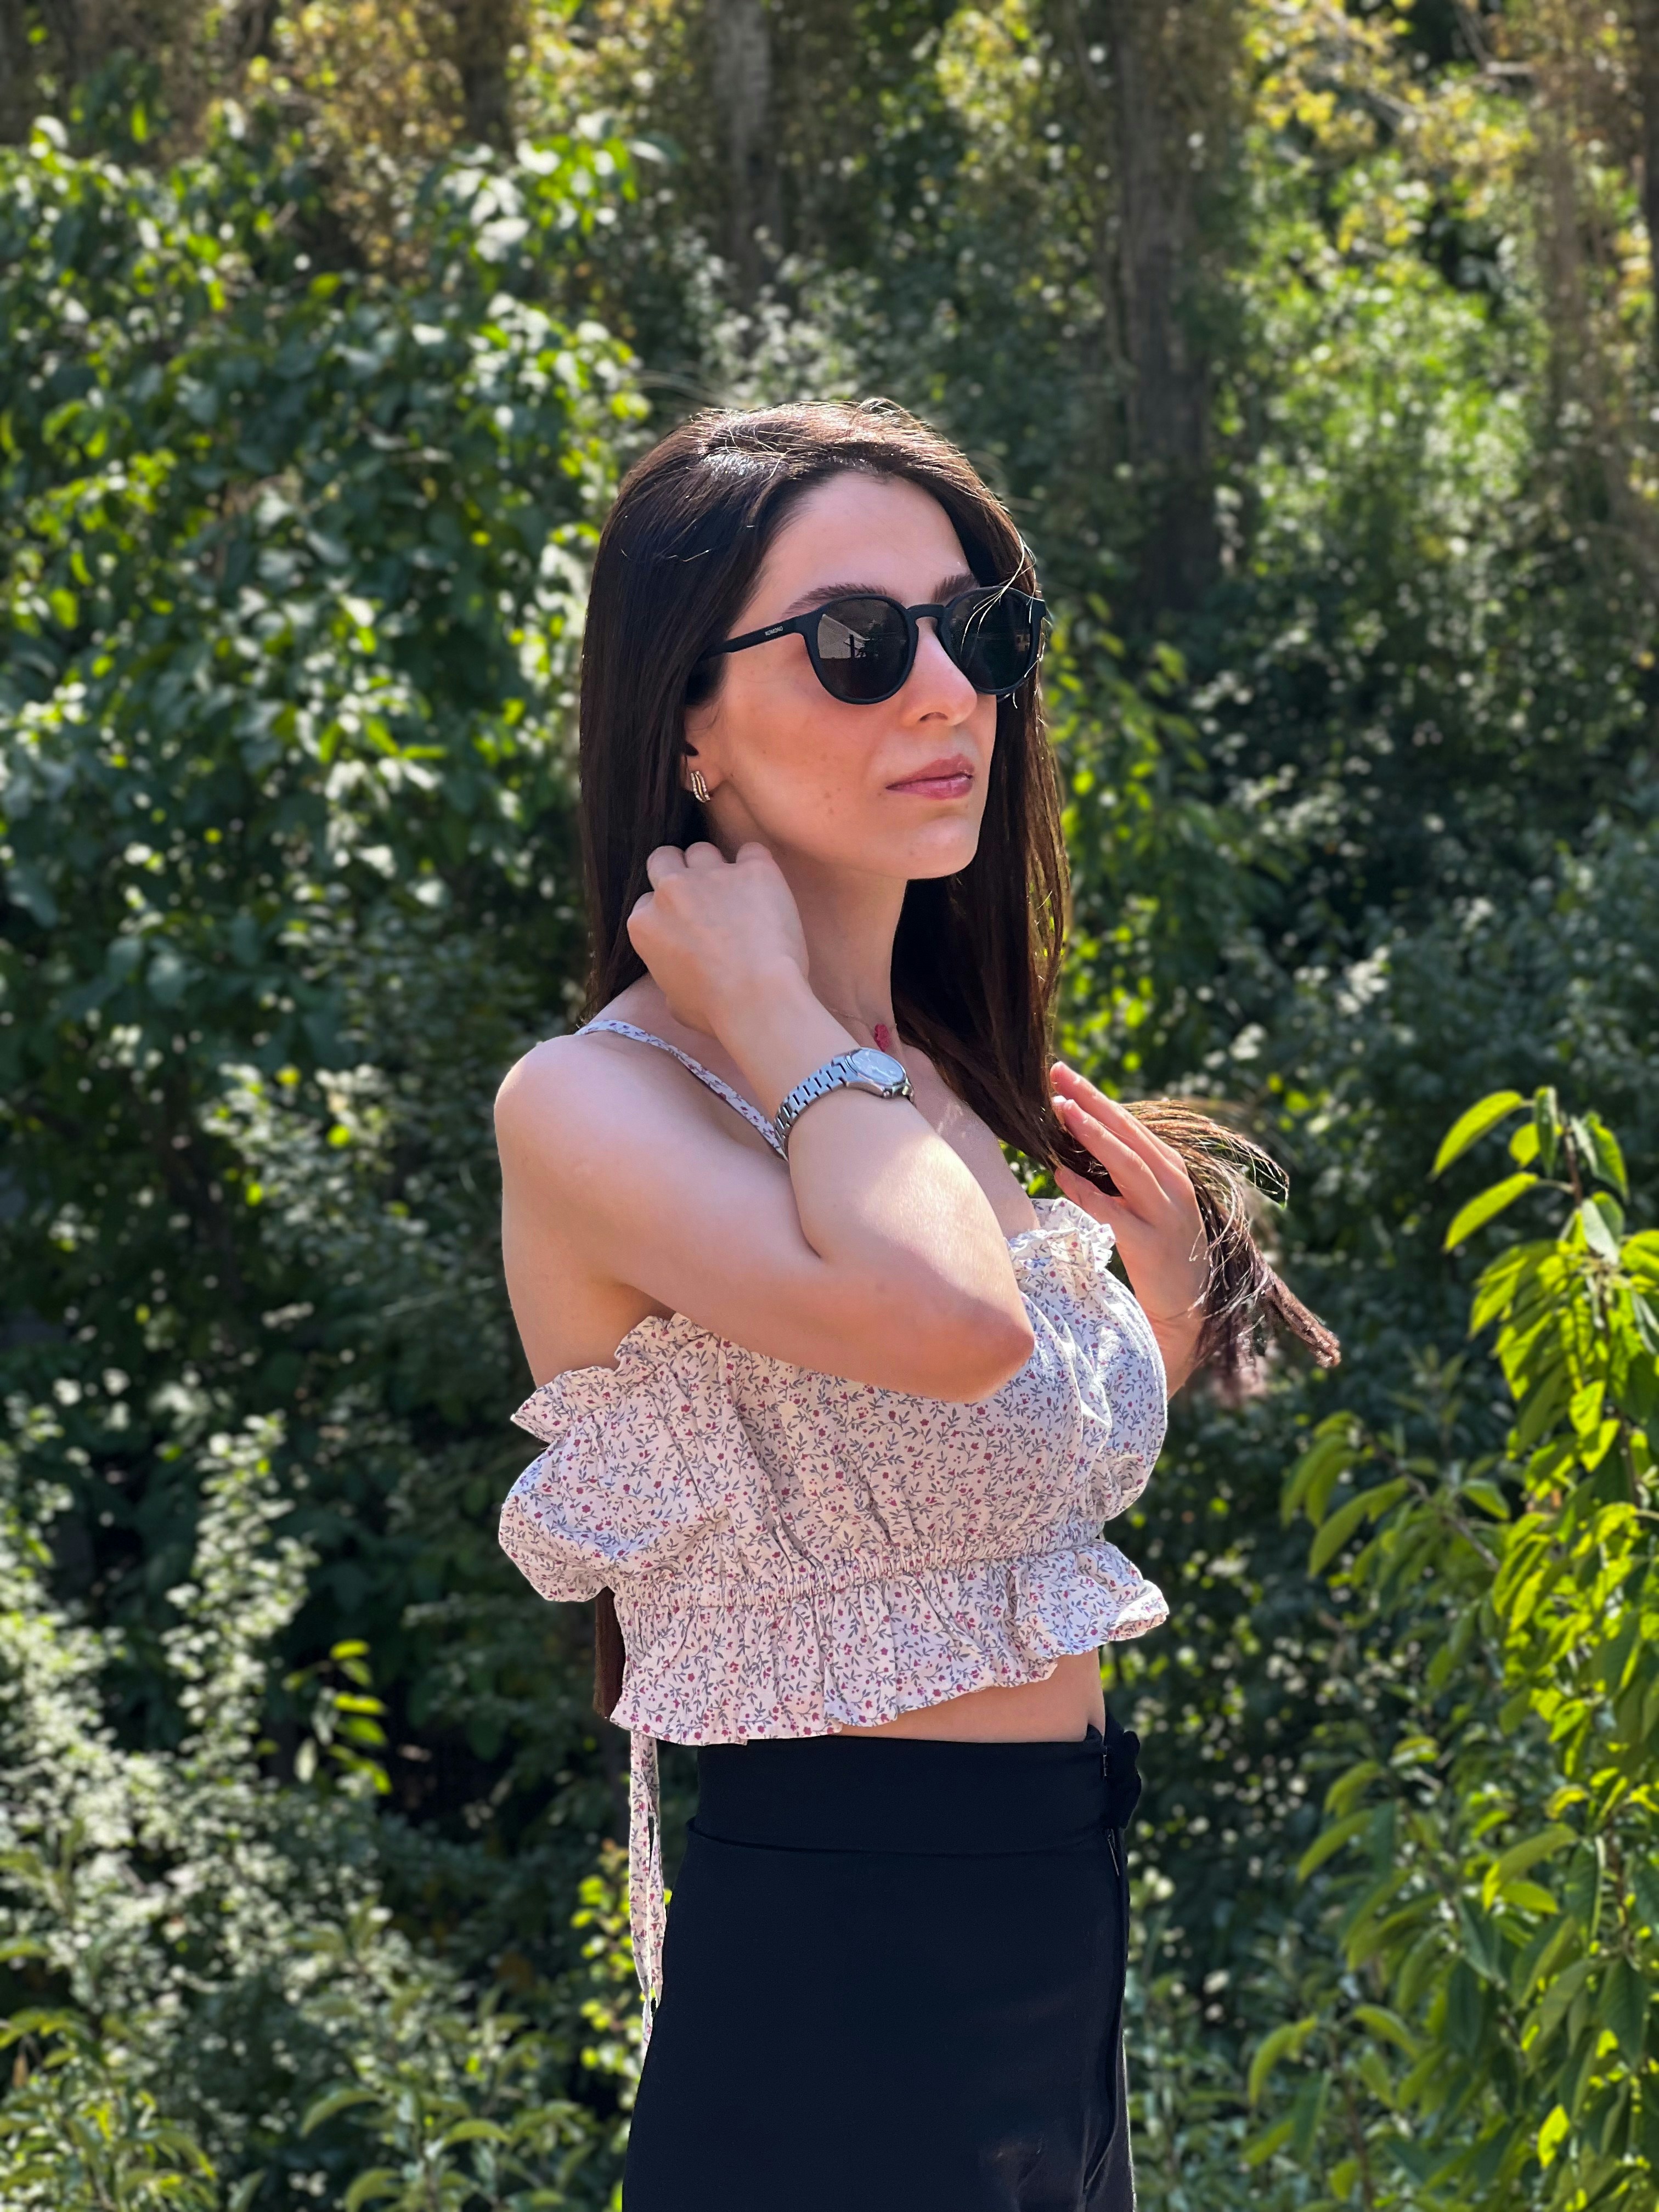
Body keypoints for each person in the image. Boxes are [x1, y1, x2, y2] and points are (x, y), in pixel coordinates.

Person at [493, 399, 1336, 2211]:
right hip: (836, 1975)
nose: (948, 690)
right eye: (858, 647)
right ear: (688, 722)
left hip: (1054, 1937)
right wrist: (778, 1013)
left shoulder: (939, 1085)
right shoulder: (595, 1104)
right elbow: (951, 1331)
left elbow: (994, 1485)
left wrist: (1168, 1312)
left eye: (984, 628)